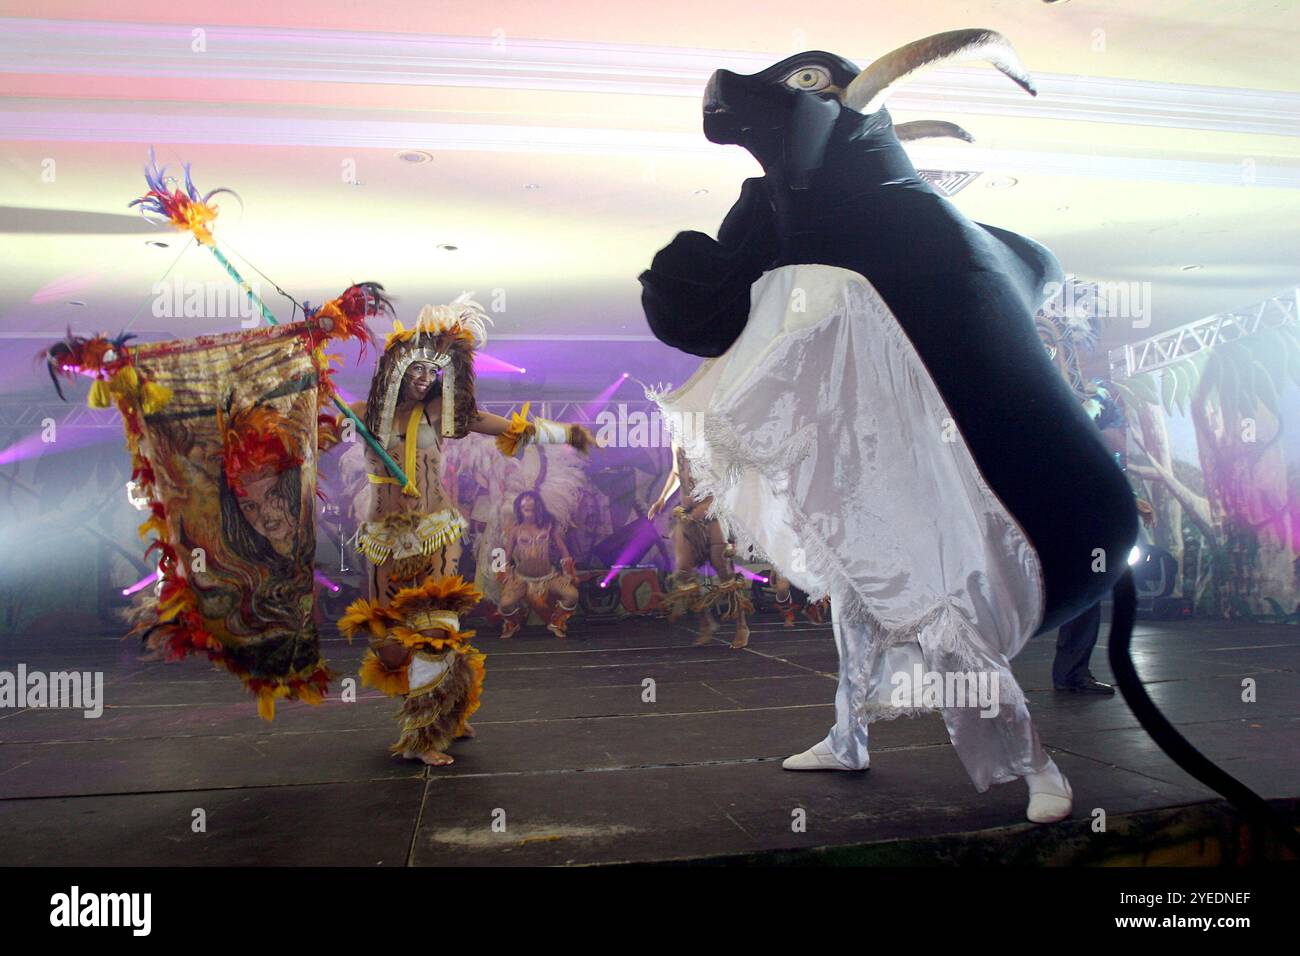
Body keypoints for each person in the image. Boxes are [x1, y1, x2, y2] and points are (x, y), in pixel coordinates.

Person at [336, 296, 594, 765]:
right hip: (381, 539)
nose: (421, 379)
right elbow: (307, 435)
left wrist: (562, 434)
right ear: (393, 370)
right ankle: (444, 711)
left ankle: (427, 733)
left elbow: (497, 425)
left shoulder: (438, 414)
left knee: (438, 630)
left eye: (428, 374)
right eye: (413, 371)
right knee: (391, 648)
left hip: (435, 532)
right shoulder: (359, 413)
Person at [648, 441, 752, 648]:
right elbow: (676, 472)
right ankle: (706, 623)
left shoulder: (706, 435)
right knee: (683, 571)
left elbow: (720, 481)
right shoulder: (677, 434)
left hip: (711, 511)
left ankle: (742, 626)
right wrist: (662, 499)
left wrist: (700, 511)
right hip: (687, 514)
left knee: (723, 569)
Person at [497, 490, 580, 639]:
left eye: (532, 508)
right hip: (522, 579)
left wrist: (568, 574)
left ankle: (556, 623)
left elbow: (564, 551)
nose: (529, 512)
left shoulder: (548, 527)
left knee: (572, 595)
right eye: (525, 509)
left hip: (549, 577)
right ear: (519, 510)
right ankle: (513, 624)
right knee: (505, 604)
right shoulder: (515, 530)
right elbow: (504, 555)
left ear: (538, 508)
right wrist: (505, 577)